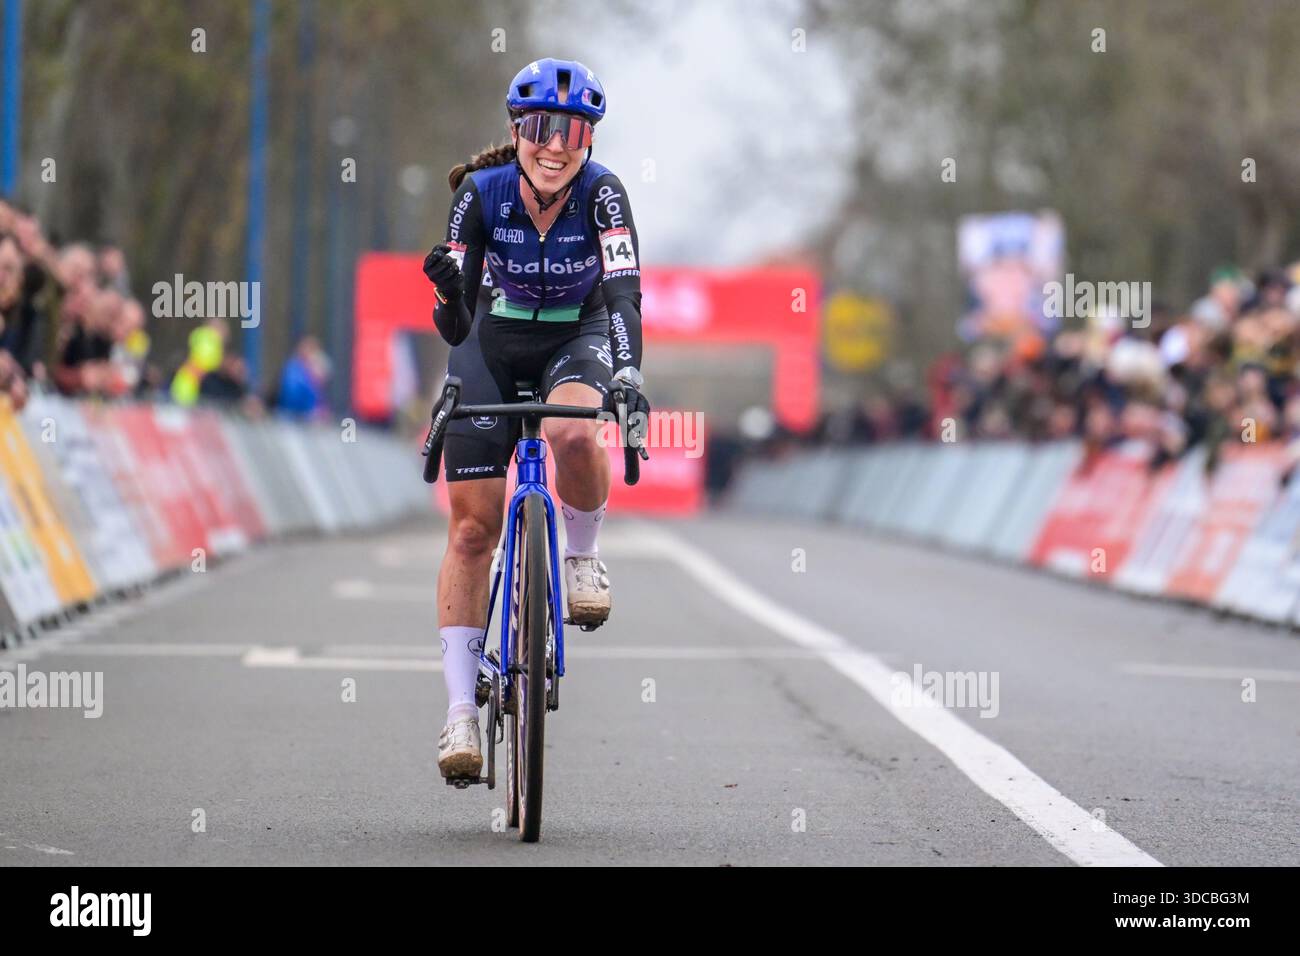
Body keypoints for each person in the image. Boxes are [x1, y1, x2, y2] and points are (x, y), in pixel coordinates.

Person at [421, 58, 649, 779]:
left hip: (576, 335)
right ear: (517, 130)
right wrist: (449, 295)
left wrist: (630, 376)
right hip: (491, 339)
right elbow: (456, 327)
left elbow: (623, 296)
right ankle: (461, 712)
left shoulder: (603, 194)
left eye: (573, 132)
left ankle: (581, 555)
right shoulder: (481, 195)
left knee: (572, 430)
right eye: (542, 128)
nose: (555, 146)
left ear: (590, 140)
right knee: (471, 531)